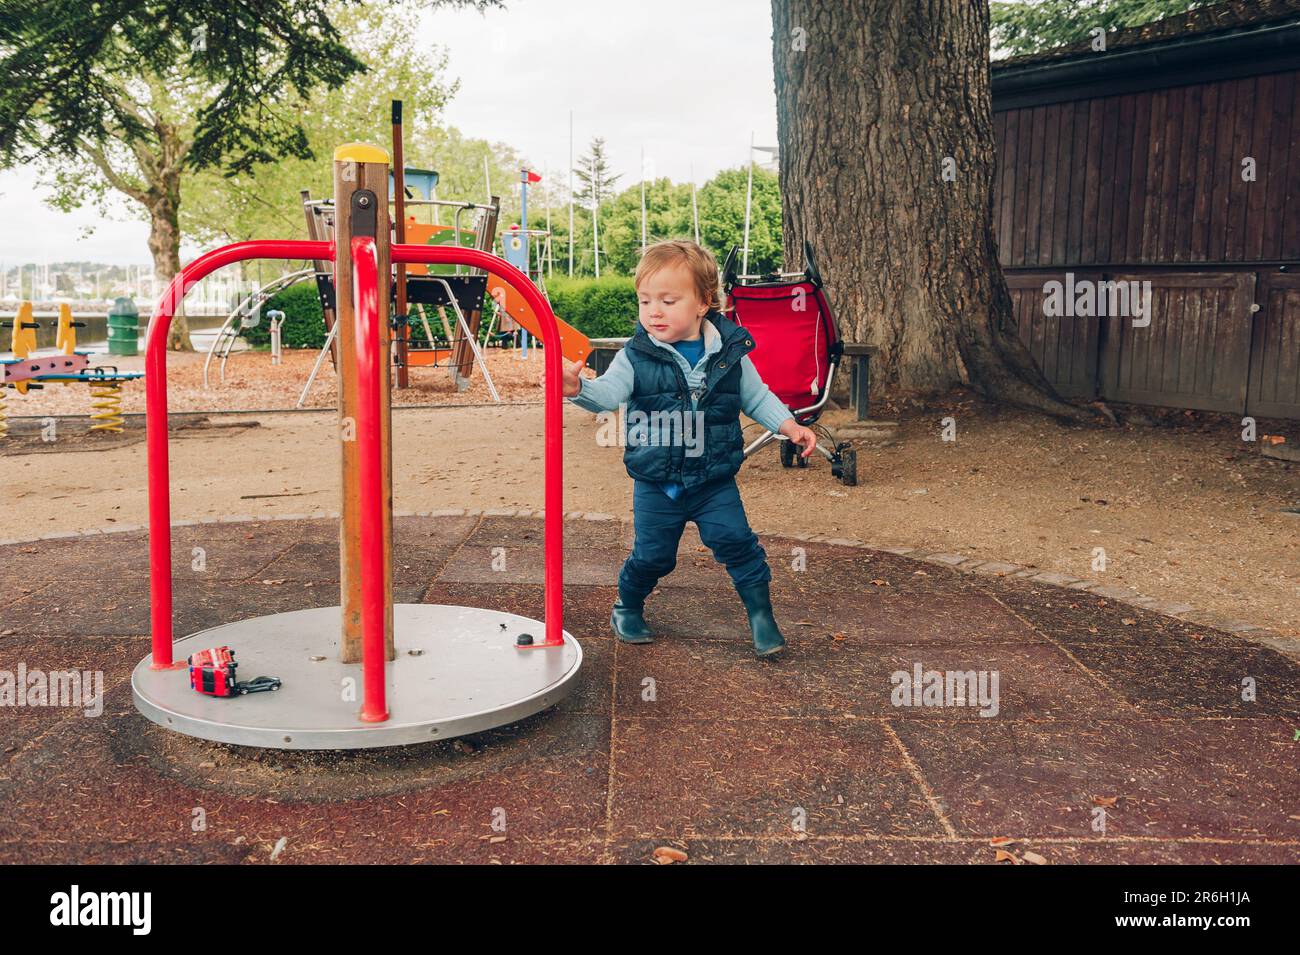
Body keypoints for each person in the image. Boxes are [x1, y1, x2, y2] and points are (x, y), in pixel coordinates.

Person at [561, 239, 817, 658]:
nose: (653, 312)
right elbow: (607, 395)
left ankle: (761, 616)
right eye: (645, 301)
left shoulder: (728, 353)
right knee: (654, 556)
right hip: (657, 481)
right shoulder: (636, 355)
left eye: (668, 300)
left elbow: (756, 396)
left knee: (736, 541)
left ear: (703, 303)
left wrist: (790, 425)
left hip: (713, 478)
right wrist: (578, 388)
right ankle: (627, 605)